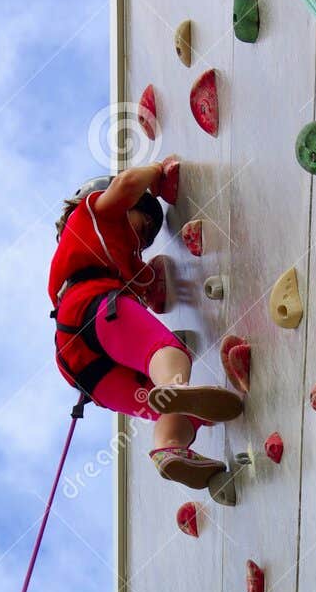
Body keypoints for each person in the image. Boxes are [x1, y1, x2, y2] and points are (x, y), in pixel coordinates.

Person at [49, 161, 243, 488]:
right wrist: (155, 173)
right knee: (167, 352)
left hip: (86, 373)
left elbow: (148, 280)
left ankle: (169, 449)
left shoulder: (115, 259)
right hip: (90, 310)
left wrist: (150, 282)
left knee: (177, 410)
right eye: (144, 224)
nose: (143, 237)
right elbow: (126, 185)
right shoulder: (93, 216)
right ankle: (173, 385)